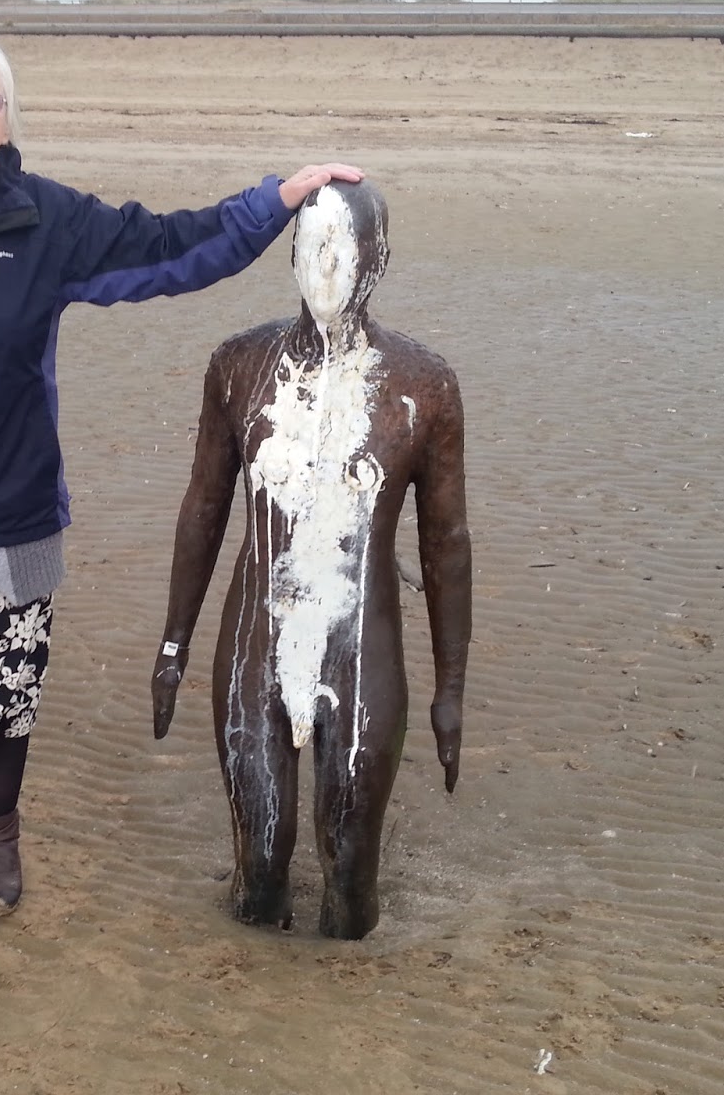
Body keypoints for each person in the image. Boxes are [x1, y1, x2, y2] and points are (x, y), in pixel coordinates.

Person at [0, 30, 362, 918]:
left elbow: (168, 247)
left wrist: (273, 201)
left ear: (7, 124)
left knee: (1, 690)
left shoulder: (41, 219)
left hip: (14, 506)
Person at [149, 178, 471, 939]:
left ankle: (342, 980)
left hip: (364, 648)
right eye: (311, 245)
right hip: (255, 641)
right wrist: (172, 647)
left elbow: (447, 541)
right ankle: (254, 975)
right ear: (289, 255)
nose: (326, 265)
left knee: (351, 870)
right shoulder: (239, 366)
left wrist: (450, 690)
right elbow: (203, 509)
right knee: (261, 865)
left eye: (345, 248)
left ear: (378, 259)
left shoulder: (422, 385)